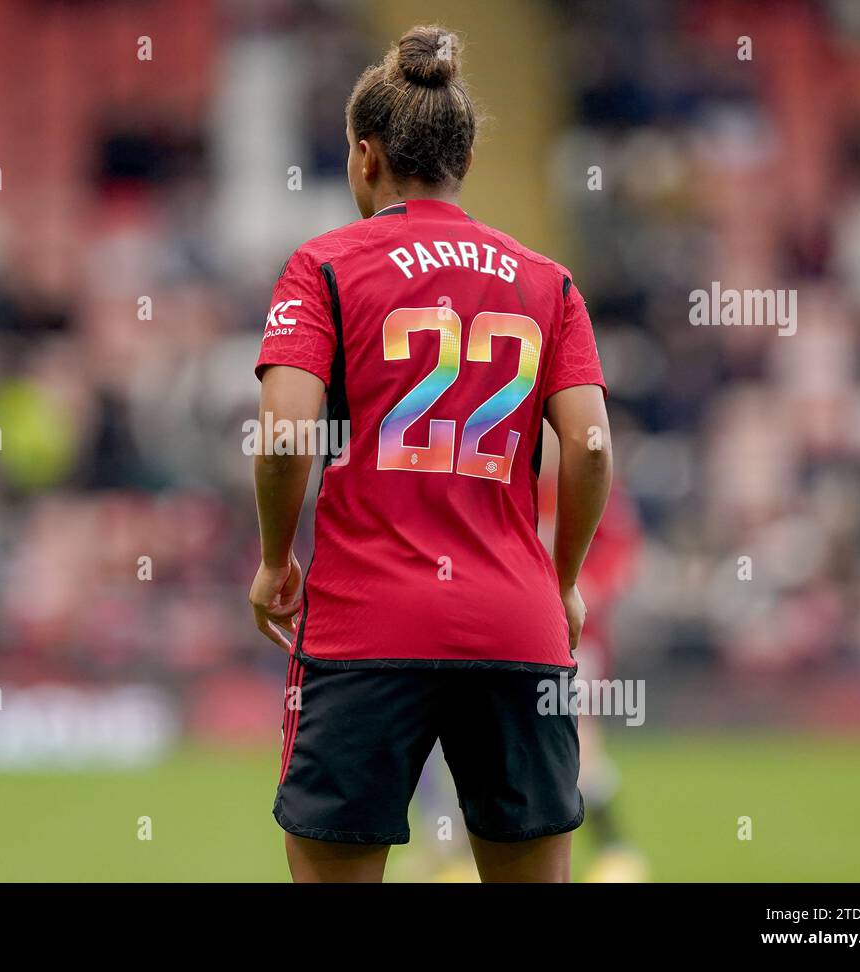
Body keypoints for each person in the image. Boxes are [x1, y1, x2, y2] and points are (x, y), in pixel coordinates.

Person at [249, 24, 612, 883]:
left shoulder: (325, 265)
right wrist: (559, 580)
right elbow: (592, 448)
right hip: (515, 628)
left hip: (364, 623)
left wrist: (274, 561)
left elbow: (286, 431)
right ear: (467, 159)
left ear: (365, 157)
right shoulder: (547, 280)